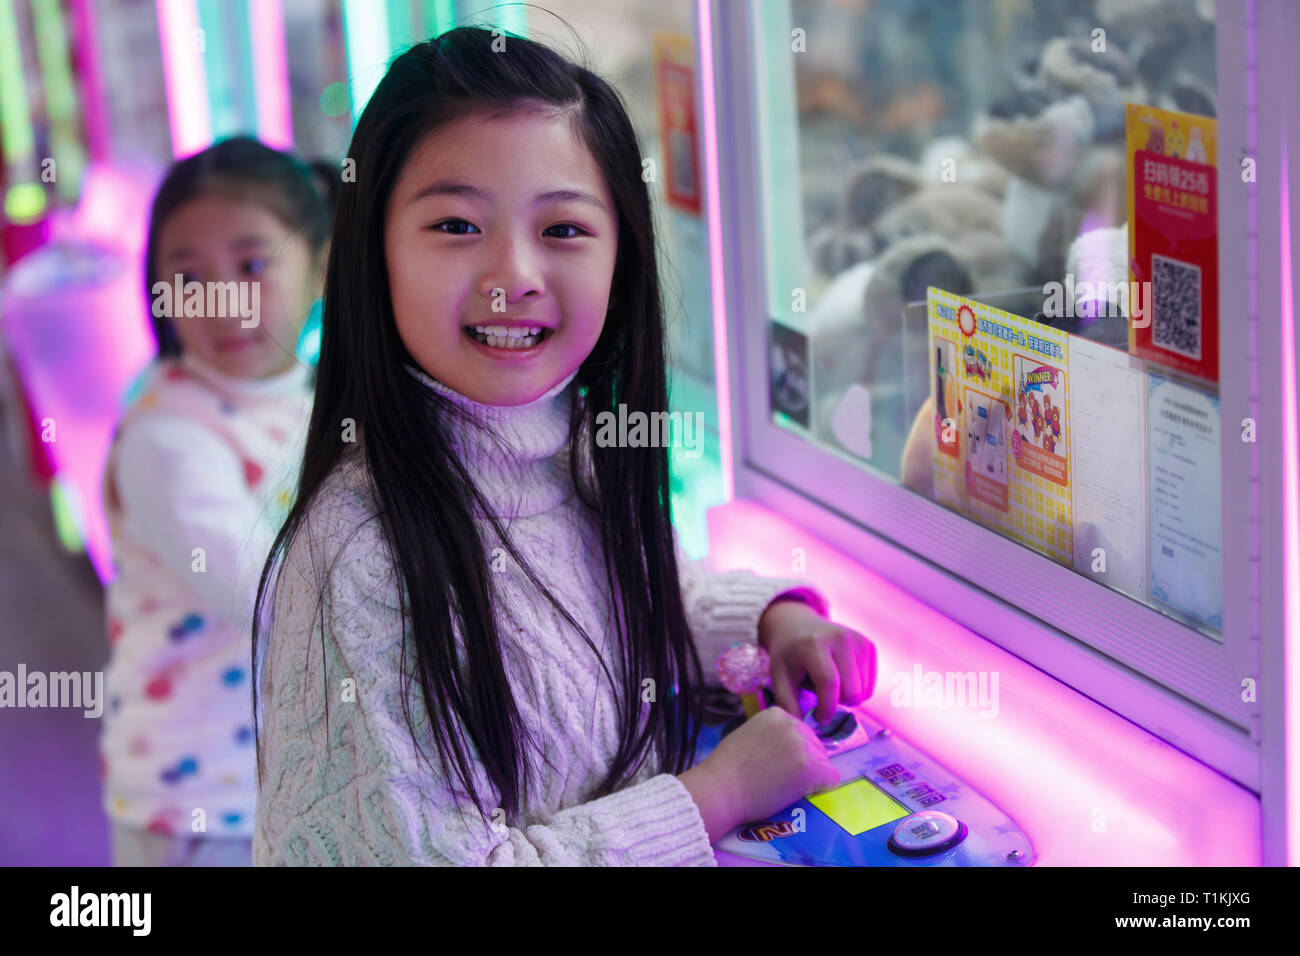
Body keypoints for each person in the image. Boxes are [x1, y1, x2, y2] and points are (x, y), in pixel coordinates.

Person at [252, 26, 875, 866]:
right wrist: (717, 792)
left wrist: (771, 617)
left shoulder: (576, 443)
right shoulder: (359, 555)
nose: (513, 274)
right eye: (456, 225)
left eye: (565, 230)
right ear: (376, 252)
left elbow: (610, 618)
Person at [100, 137, 335, 866]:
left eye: (252, 265)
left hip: (279, 778)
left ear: (322, 265)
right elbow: (263, 589)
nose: (221, 298)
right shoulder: (168, 434)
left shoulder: (315, 392)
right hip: (197, 794)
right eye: (188, 275)